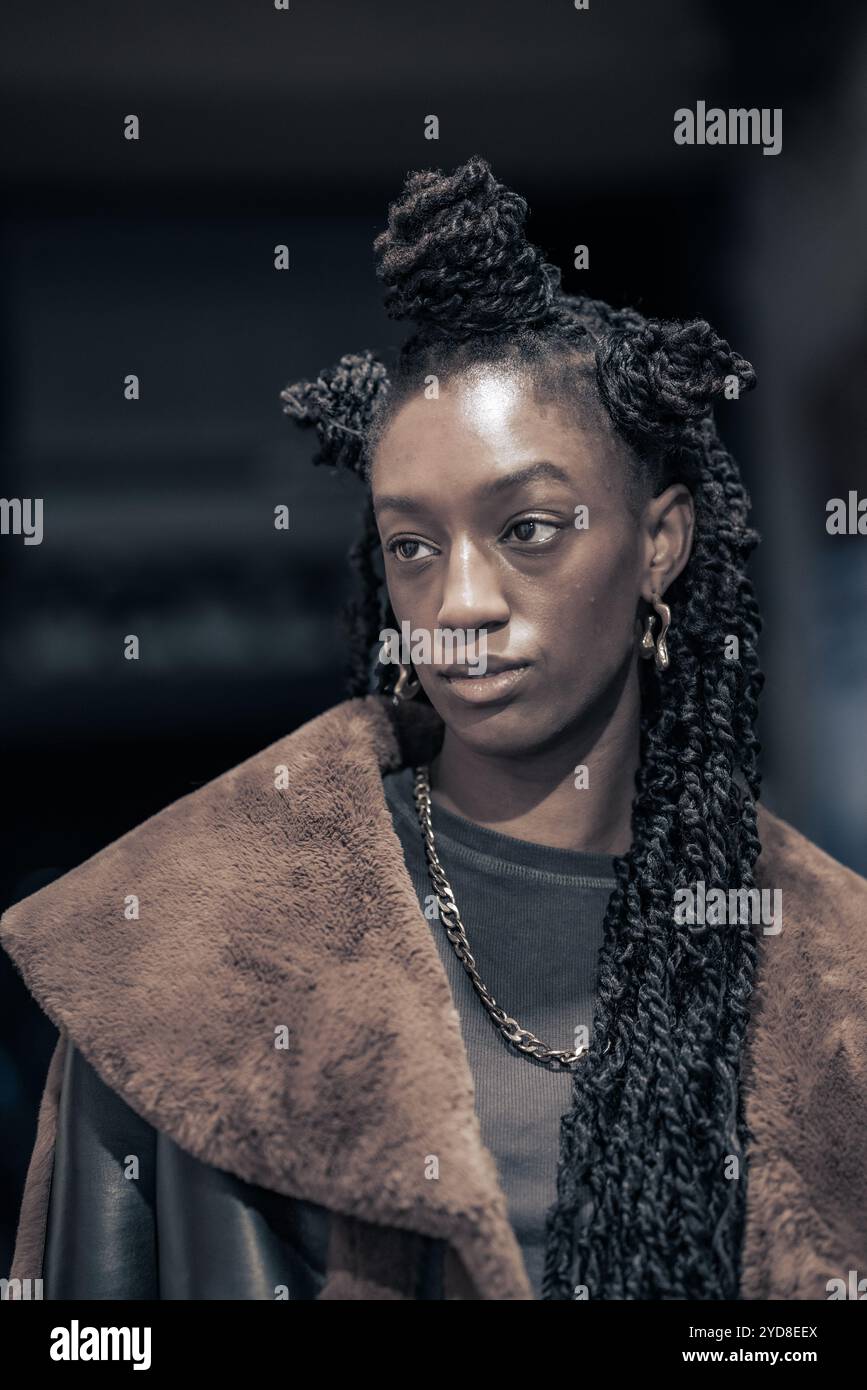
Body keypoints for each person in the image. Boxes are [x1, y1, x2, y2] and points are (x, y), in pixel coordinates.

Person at [2, 155, 865, 1302]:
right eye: (414, 545)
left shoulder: (835, 972)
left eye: (529, 528)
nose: (460, 602)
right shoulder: (180, 945)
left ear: (661, 542)